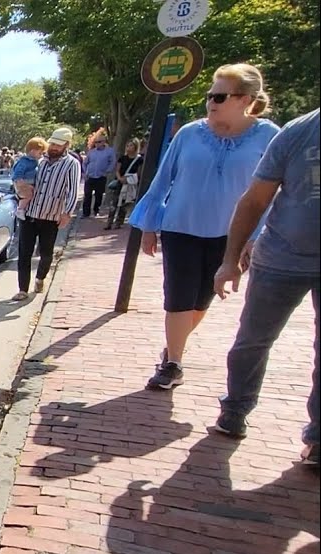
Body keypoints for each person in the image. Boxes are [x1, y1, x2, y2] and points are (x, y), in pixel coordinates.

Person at [130, 63, 280, 391]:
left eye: (220, 95)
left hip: (231, 235)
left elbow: (271, 194)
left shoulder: (270, 137)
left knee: (201, 301)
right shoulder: (189, 134)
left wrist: (255, 237)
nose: (211, 101)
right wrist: (149, 225)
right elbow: (162, 181)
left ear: (245, 99)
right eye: (209, 95)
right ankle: (173, 365)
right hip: (181, 227)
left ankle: (173, 347)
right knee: (177, 296)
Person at [211, 108, 319, 465]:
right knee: (253, 340)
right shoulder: (299, 131)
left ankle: (318, 437)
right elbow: (255, 200)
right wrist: (229, 261)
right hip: (281, 259)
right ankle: (235, 408)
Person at [12, 127, 80, 301]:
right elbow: (21, 179)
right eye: (53, 143)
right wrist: (20, 190)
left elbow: (72, 190)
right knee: (24, 252)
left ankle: (40, 277)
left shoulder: (72, 164)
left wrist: (67, 212)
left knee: (46, 253)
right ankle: (22, 289)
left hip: (51, 215)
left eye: (58, 144)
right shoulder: (39, 161)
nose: (54, 147)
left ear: (66, 145)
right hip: (30, 213)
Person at [104, 138, 143, 230]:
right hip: (120, 182)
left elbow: (139, 172)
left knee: (125, 203)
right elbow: (117, 170)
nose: (129, 148)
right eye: (128, 146)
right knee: (114, 202)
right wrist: (120, 178)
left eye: (131, 146)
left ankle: (119, 222)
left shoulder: (139, 159)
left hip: (130, 183)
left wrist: (129, 179)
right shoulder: (123, 158)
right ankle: (109, 222)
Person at [10, 137, 45, 220]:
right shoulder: (24, 161)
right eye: (40, 153)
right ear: (33, 151)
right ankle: (20, 210)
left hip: (27, 183)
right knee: (27, 196)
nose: (41, 155)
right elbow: (17, 174)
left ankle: (23, 209)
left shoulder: (33, 161)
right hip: (22, 183)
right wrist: (24, 184)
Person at [82, 135, 116, 217]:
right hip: (90, 176)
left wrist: (107, 171)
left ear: (104, 142)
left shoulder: (109, 151)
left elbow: (112, 162)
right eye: (96, 142)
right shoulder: (91, 152)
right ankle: (85, 213)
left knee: (98, 195)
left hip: (101, 177)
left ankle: (96, 210)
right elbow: (85, 163)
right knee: (87, 195)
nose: (97, 144)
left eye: (99, 142)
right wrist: (84, 172)